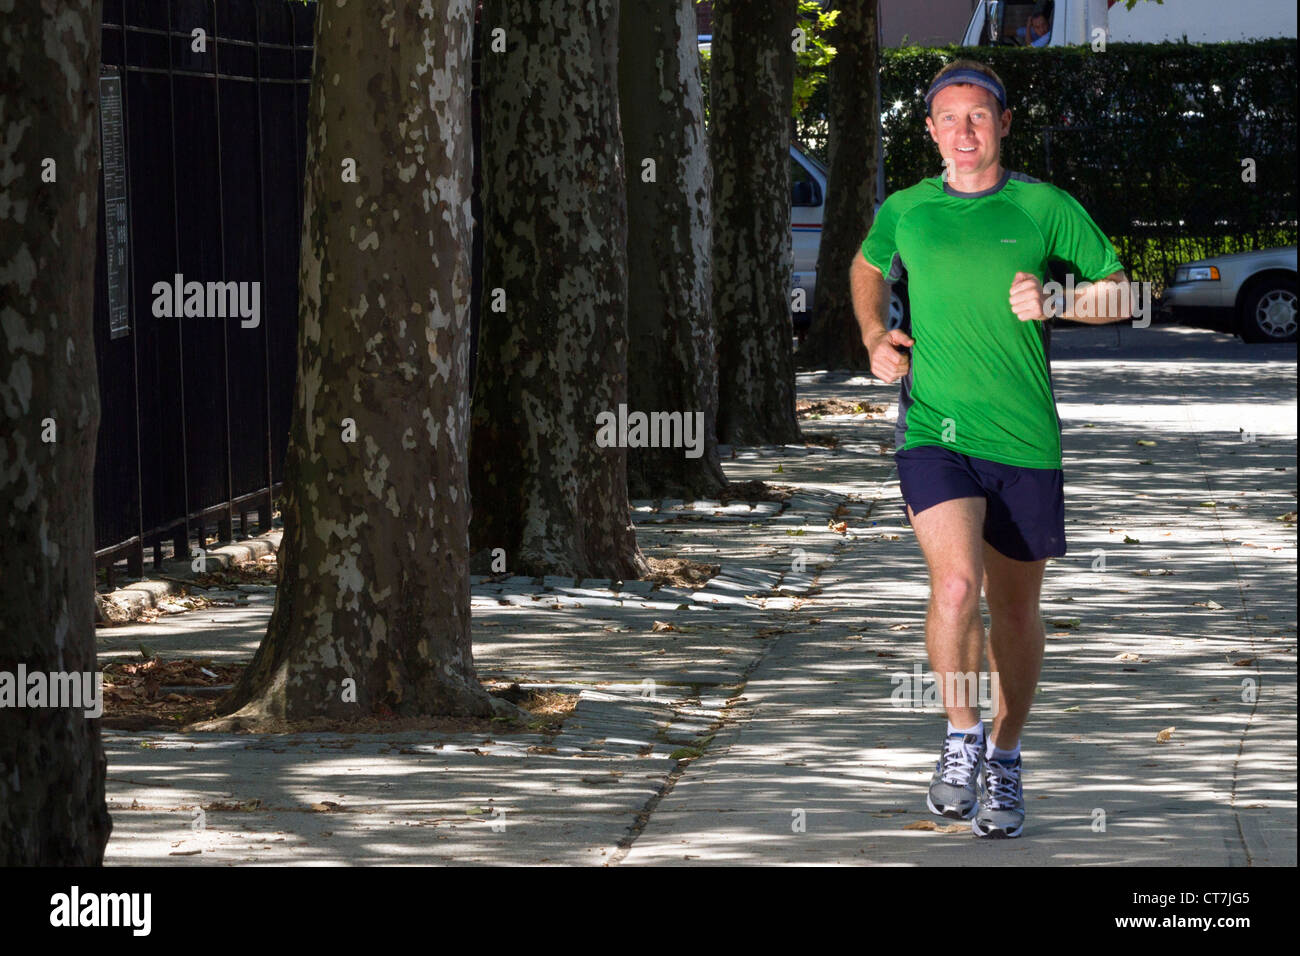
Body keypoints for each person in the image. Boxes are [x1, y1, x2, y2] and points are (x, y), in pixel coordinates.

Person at [850, 59, 1133, 838]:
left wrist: (1060, 300)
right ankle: (960, 737)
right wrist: (875, 334)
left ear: (1003, 124)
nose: (965, 131)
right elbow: (868, 265)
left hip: (1024, 437)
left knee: (1014, 610)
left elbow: (1121, 288)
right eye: (950, 118)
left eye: (979, 116)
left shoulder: (1043, 206)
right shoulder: (907, 209)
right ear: (931, 130)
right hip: (933, 431)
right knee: (955, 585)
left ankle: (1006, 755)